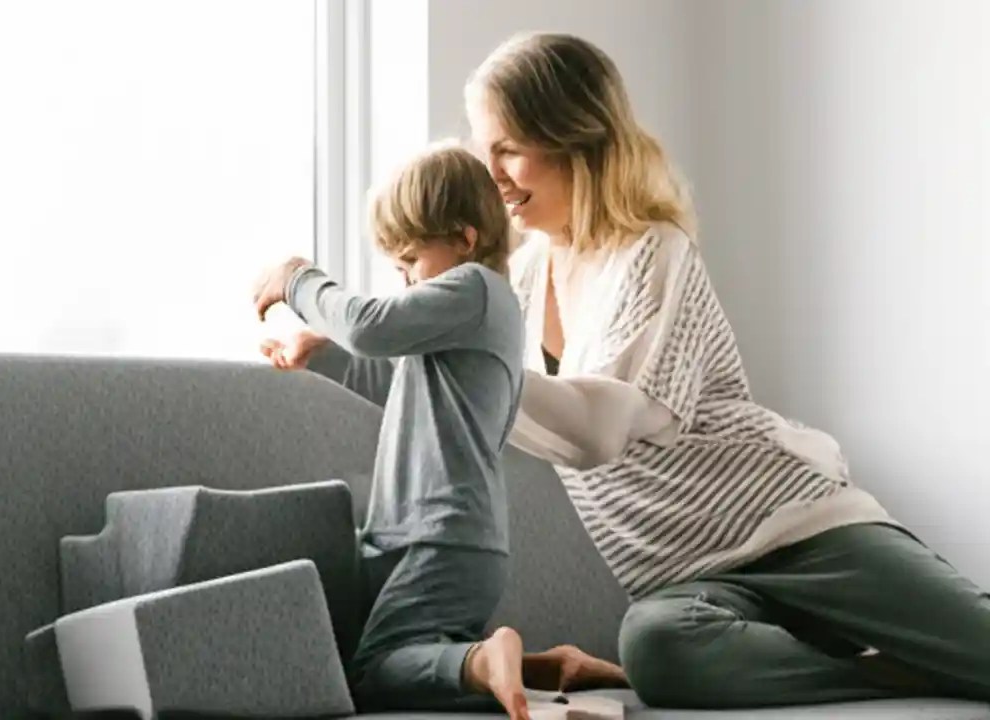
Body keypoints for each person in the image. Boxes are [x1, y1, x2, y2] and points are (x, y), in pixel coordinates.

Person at [462, 31, 990, 709]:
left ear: (572, 137)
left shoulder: (653, 252)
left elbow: (598, 431)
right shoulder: (524, 280)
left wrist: (458, 353)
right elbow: (454, 392)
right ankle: (895, 670)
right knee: (654, 649)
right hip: (689, 582)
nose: (492, 173)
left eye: (508, 149)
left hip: (798, 533)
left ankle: (927, 655)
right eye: (484, 151)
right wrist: (334, 343)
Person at [254, 143, 623, 717]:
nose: (405, 284)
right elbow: (392, 379)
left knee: (372, 672)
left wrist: (299, 281)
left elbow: (368, 327)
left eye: (410, 262)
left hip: (442, 533)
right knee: (396, 656)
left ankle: (482, 660)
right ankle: (542, 665)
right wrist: (320, 353)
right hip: (426, 534)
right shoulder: (466, 319)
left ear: (465, 238)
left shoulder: (477, 291)